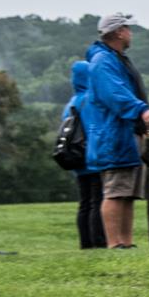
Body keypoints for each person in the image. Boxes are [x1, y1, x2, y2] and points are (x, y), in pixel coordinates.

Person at [84, 13, 149, 249]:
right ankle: (114, 244)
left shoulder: (116, 59)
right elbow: (114, 94)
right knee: (116, 191)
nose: (130, 33)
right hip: (113, 135)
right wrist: (141, 110)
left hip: (127, 134)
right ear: (118, 32)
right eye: (127, 28)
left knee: (128, 193)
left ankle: (126, 243)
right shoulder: (102, 61)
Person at [63, 59, 107, 249]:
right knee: (98, 201)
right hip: (93, 157)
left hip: (77, 159)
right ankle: (99, 241)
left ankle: (86, 243)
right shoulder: (91, 100)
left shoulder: (71, 103)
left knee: (85, 202)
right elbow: (96, 128)